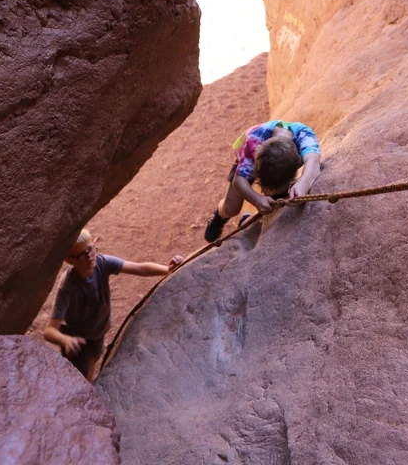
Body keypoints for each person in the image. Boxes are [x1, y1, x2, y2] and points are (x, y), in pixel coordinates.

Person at [43, 229, 183, 381]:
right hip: (77, 342)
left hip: (98, 330)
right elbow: (49, 330)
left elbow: (139, 268)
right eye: (82, 255)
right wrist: (65, 340)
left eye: (91, 249)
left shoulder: (102, 263)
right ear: (69, 260)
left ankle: (90, 383)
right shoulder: (67, 287)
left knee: (93, 360)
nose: (89, 256)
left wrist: (167, 270)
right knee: (78, 376)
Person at [204, 120, 321, 242]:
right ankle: (219, 217)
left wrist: (303, 183)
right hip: (246, 157)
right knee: (231, 208)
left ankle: (248, 221)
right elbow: (238, 181)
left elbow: (313, 160)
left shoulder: (304, 135)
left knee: (275, 204)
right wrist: (256, 199)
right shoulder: (254, 142)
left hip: (278, 166)